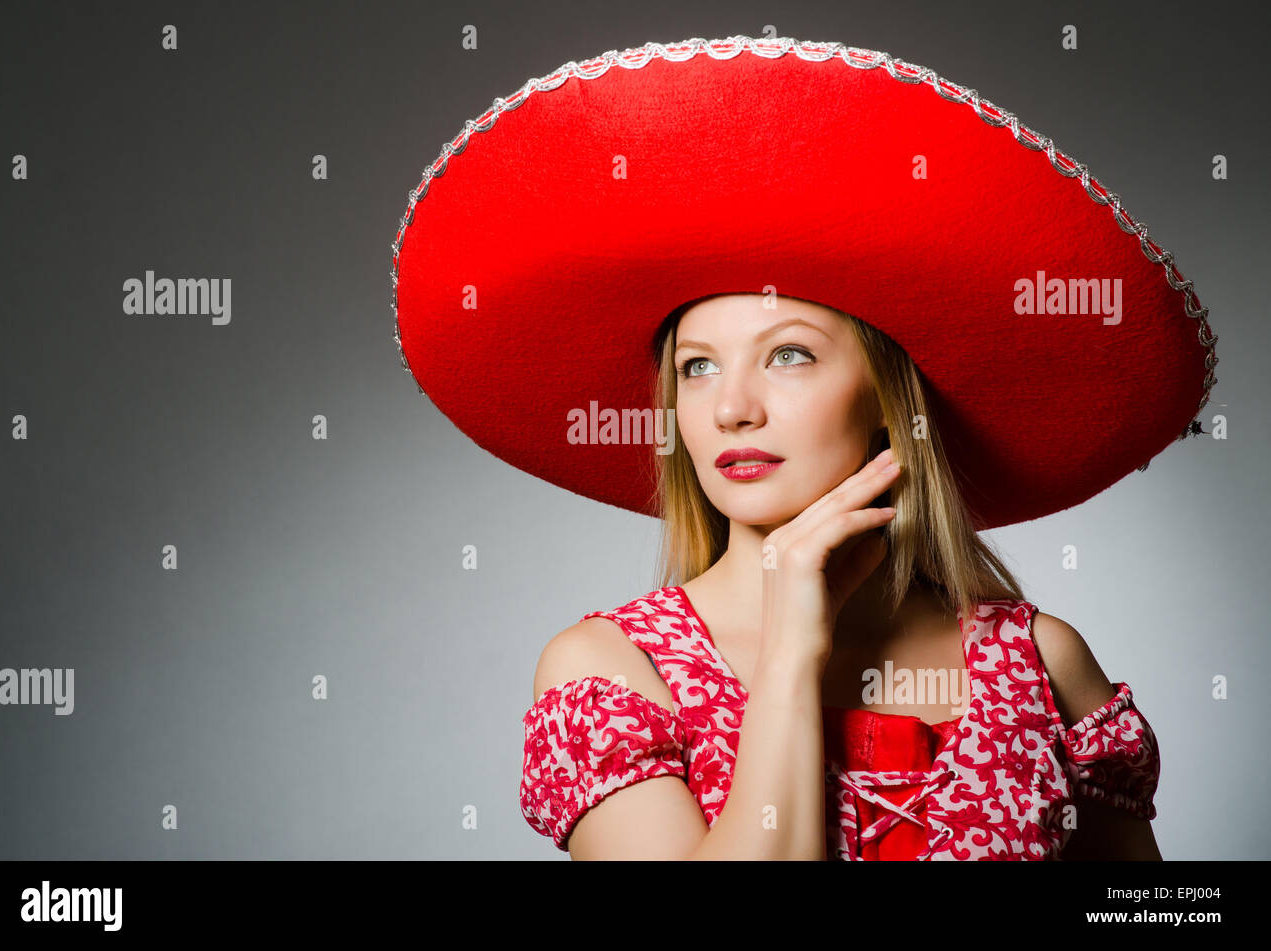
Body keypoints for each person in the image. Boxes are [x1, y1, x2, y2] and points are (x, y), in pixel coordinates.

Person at [388, 36, 1216, 859]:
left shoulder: (1043, 661)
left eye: (789, 354)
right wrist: (791, 651)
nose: (732, 409)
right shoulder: (607, 673)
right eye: (698, 367)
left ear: (890, 403)